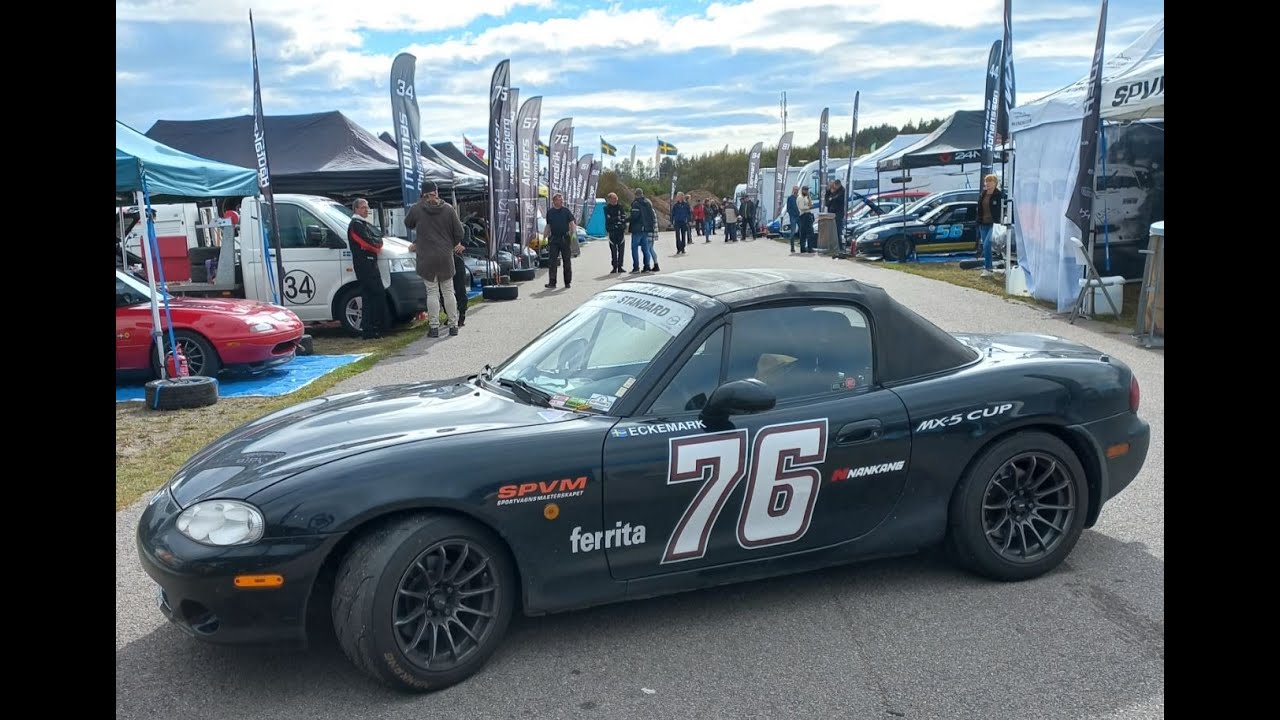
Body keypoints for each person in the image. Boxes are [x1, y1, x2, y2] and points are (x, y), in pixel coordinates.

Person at [405, 181, 465, 337]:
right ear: (436, 192)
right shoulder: (448, 209)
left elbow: (408, 223)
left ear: (422, 193)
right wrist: (449, 244)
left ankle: (434, 327)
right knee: (448, 291)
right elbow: (460, 232)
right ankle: (453, 325)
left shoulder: (417, 209)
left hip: (426, 257)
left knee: (432, 292)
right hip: (445, 255)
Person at [346, 198, 387, 339]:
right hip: (365, 265)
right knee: (374, 295)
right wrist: (377, 244)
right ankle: (372, 327)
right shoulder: (355, 225)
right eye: (363, 207)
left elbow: (376, 239)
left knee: (370, 296)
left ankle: (372, 327)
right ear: (356, 209)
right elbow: (370, 243)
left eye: (367, 207)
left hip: (369, 263)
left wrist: (377, 243)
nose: (366, 209)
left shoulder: (363, 224)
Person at [543, 192, 576, 288]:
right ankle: (552, 282)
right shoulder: (550, 212)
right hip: (554, 239)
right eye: (559, 199)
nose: (561, 201)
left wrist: (573, 234)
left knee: (567, 261)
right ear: (554, 201)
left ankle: (567, 282)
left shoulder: (566, 211)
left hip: (565, 239)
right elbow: (548, 225)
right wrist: (544, 236)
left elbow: (572, 223)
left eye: (562, 199)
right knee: (552, 261)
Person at [977, 173, 1005, 277]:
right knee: (985, 247)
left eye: (990, 181)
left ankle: (988, 267)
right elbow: (979, 208)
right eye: (986, 181)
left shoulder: (999, 194)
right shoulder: (983, 194)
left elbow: (1002, 208)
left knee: (987, 244)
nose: (987, 183)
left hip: (994, 223)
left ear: (995, 183)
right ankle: (989, 268)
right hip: (983, 223)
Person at [629, 188, 659, 272]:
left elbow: (634, 216)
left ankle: (636, 267)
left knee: (634, 248)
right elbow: (652, 217)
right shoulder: (648, 203)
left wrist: (627, 220)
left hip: (637, 229)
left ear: (635, 194)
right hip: (646, 229)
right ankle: (647, 267)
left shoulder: (636, 204)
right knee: (646, 249)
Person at [604, 192, 627, 273]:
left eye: (616, 198)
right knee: (613, 250)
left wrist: (619, 220)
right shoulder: (606, 208)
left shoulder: (620, 207)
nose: (615, 200)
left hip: (620, 231)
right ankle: (614, 267)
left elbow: (623, 218)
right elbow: (608, 219)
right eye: (613, 199)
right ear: (609, 200)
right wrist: (617, 218)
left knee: (621, 250)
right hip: (612, 231)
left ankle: (620, 266)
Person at [824, 179, 847, 252]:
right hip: (831, 212)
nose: (833, 187)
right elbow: (827, 203)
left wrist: (831, 198)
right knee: (831, 231)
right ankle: (831, 246)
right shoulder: (830, 192)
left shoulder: (842, 190)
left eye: (834, 185)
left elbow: (836, 199)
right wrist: (829, 194)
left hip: (838, 213)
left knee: (838, 230)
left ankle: (840, 247)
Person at [797, 186, 815, 253]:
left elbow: (811, 204)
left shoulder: (806, 197)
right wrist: (809, 207)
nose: (807, 192)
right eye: (806, 190)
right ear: (802, 190)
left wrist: (809, 197)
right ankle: (808, 248)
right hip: (804, 215)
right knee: (809, 232)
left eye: (807, 190)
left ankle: (805, 248)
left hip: (808, 214)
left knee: (805, 233)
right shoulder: (800, 198)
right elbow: (801, 207)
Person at [786, 186, 801, 252]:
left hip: (799, 216)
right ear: (793, 190)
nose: (796, 191)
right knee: (793, 231)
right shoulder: (790, 198)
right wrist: (791, 214)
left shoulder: (799, 197)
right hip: (793, 216)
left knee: (802, 230)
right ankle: (792, 247)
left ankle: (802, 245)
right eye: (795, 190)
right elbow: (788, 208)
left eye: (797, 190)